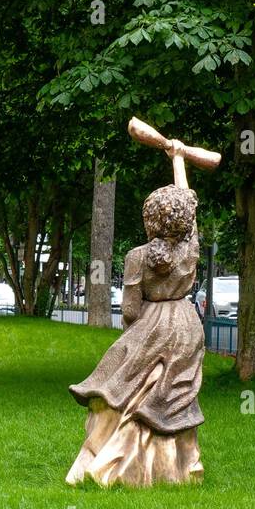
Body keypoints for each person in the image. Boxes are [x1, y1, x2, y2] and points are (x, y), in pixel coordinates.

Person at [66, 180, 204, 486]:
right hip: (186, 325)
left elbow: (129, 310)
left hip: (151, 323)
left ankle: (121, 462)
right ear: (186, 220)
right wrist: (179, 159)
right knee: (173, 390)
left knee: (123, 380)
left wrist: (135, 331)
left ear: (149, 219)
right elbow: (192, 216)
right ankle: (178, 467)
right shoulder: (191, 250)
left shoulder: (137, 257)